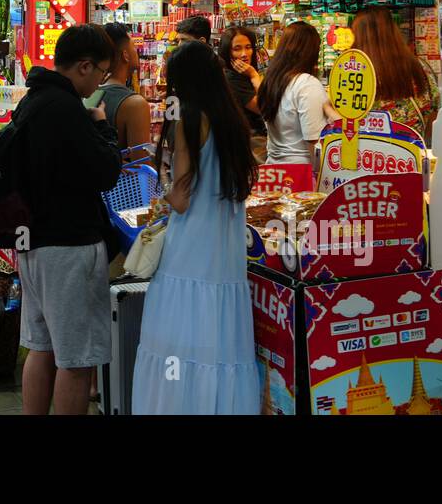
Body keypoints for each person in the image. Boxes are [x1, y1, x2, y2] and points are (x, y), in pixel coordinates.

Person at [132, 41, 259, 414]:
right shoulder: (230, 119)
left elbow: (181, 198)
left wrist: (160, 182)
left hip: (189, 253)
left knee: (178, 343)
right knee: (221, 345)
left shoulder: (189, 119)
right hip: (224, 255)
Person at [12, 24, 122, 416]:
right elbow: (106, 171)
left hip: (33, 244)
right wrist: (102, 126)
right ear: (85, 66)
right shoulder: (66, 109)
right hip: (69, 245)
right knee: (76, 359)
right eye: (102, 74)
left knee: (41, 347)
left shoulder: (32, 100)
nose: (100, 82)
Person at [351, 7, 440, 140]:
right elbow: (433, 115)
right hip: (410, 153)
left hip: (369, 154)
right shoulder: (421, 68)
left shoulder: (357, 74)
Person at [258, 21, 334, 165]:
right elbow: (314, 141)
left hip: (275, 170)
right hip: (301, 174)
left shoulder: (272, 80)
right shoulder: (307, 84)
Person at [94, 23, 152, 163]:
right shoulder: (135, 104)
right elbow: (141, 166)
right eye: (133, 45)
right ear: (125, 55)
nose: (136, 50)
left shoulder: (90, 94)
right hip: (122, 184)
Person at [220, 26, 266, 160]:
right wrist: (254, 76)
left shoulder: (241, 75)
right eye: (237, 49)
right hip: (249, 146)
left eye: (248, 47)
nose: (244, 54)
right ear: (227, 51)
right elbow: (265, 107)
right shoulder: (231, 78)